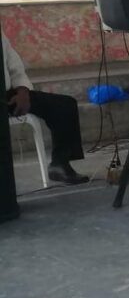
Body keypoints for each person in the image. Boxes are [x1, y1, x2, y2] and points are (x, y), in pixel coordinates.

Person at [3, 33, 89, 185]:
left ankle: (60, 164)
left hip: (8, 94)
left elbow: (13, 63)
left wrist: (23, 91)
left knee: (64, 106)